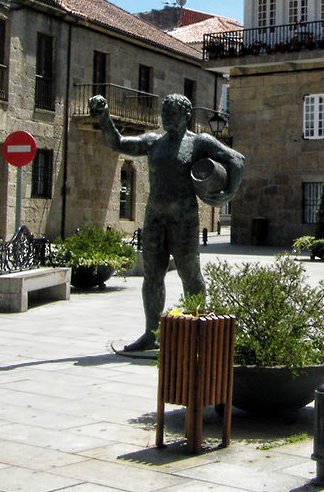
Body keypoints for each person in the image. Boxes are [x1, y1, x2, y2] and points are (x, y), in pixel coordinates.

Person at [88, 93, 244, 351]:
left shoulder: (199, 143)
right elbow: (117, 143)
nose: (167, 118)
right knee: (152, 275)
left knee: (190, 274)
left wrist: (229, 192)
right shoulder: (153, 142)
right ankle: (151, 333)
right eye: (165, 113)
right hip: (155, 218)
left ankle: (197, 331)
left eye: (173, 114)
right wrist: (104, 117)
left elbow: (237, 159)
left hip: (184, 219)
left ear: (186, 116)